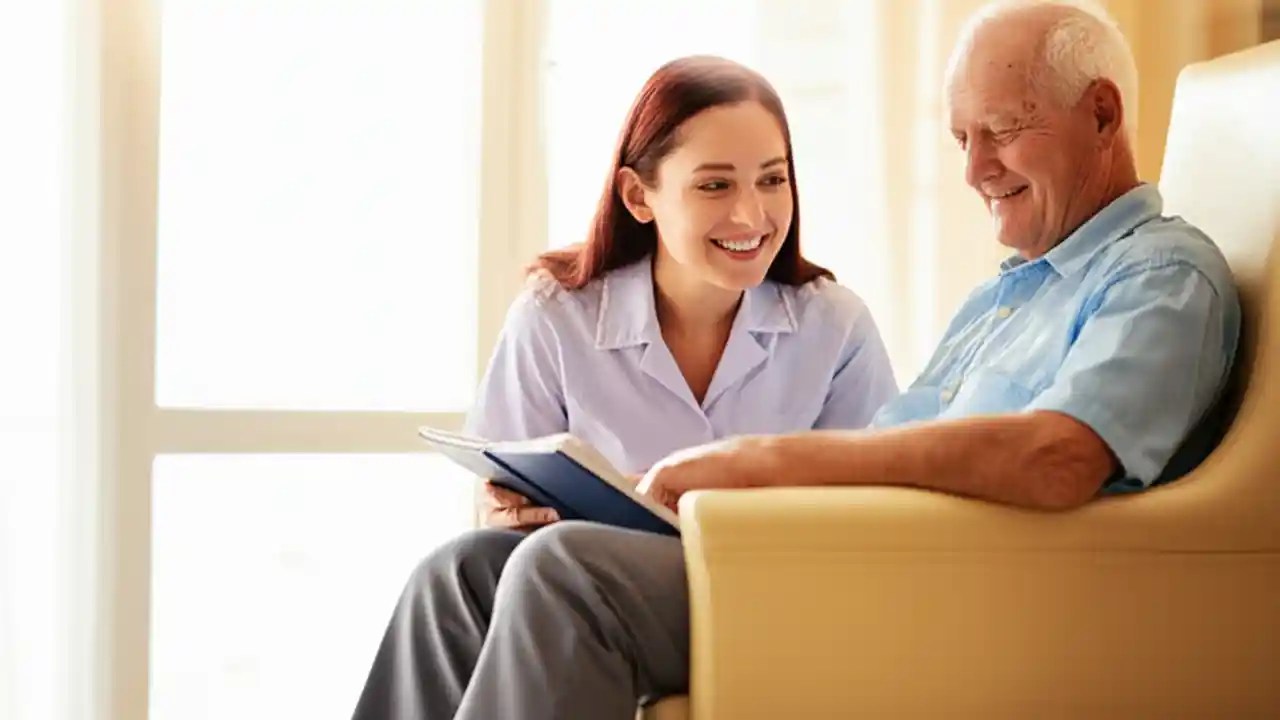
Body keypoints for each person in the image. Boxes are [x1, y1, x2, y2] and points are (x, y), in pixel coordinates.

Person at [350, 55, 897, 718]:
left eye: (772, 179)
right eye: (715, 186)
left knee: (562, 563)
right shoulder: (557, 315)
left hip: (768, 589)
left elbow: (875, 521)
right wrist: (506, 510)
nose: (752, 213)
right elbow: (500, 499)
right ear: (639, 196)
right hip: (593, 584)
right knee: (458, 570)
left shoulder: (834, 326)